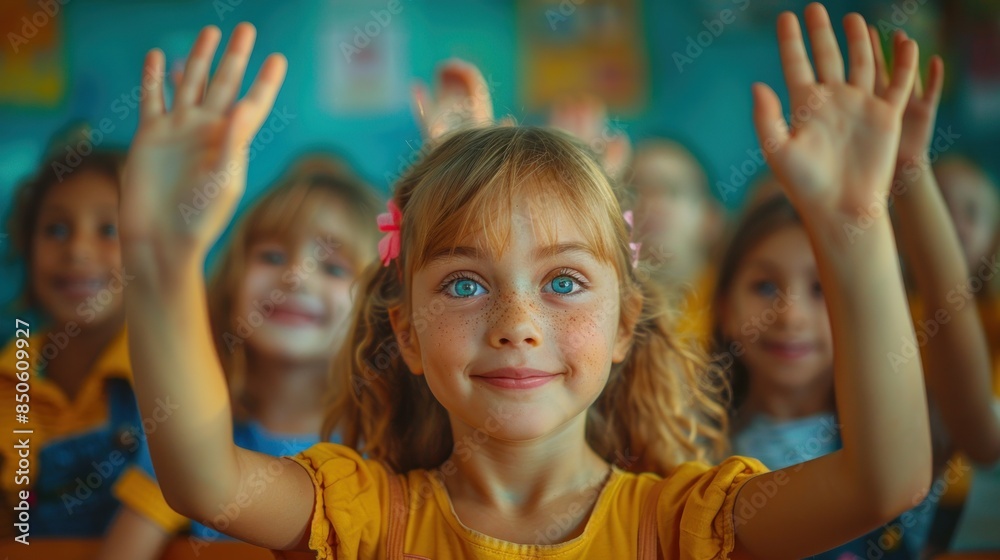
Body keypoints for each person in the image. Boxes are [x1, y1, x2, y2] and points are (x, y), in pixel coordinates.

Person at [118, 6, 932, 557]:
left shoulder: (676, 524)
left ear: (624, 327)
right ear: (404, 332)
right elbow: (202, 478)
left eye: (566, 284)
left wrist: (854, 228)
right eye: (466, 286)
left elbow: (885, 482)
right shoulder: (374, 515)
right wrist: (159, 256)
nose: (517, 321)